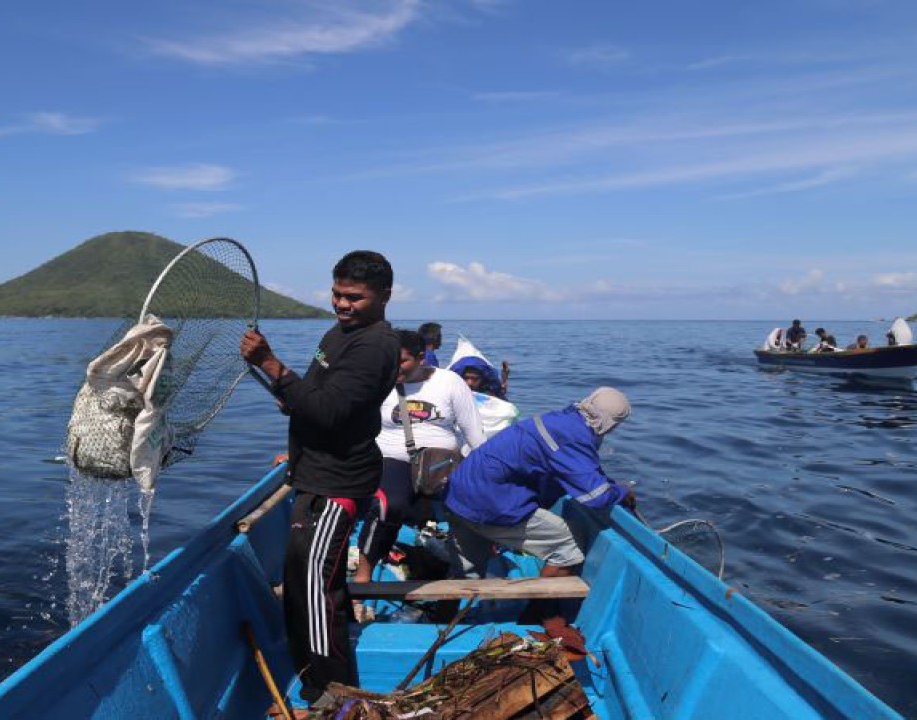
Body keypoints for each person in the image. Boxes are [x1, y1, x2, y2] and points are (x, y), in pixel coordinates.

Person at [240, 251, 400, 706]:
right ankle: (318, 683)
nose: (342, 304)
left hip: (338, 484)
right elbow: (318, 395)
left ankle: (335, 697)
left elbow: (329, 412)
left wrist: (271, 363)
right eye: (336, 293)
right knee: (308, 582)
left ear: (384, 296)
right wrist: (291, 395)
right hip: (313, 473)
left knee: (315, 589)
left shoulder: (374, 346)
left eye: (355, 297)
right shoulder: (340, 333)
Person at [441, 387, 636, 658]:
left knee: (469, 570)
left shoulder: (561, 420)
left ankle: (449, 621)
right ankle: (547, 615)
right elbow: (596, 496)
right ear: (612, 424)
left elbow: (575, 471)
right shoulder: (576, 437)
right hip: (489, 502)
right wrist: (623, 491)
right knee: (569, 544)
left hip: (459, 494)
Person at [353, 330, 486, 600]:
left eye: (401, 361)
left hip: (441, 463)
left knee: (475, 504)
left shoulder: (449, 382)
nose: (393, 367)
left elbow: (474, 434)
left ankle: (469, 569)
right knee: (387, 505)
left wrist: (486, 477)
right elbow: (348, 425)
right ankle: (364, 571)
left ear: (421, 358)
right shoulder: (377, 382)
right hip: (394, 459)